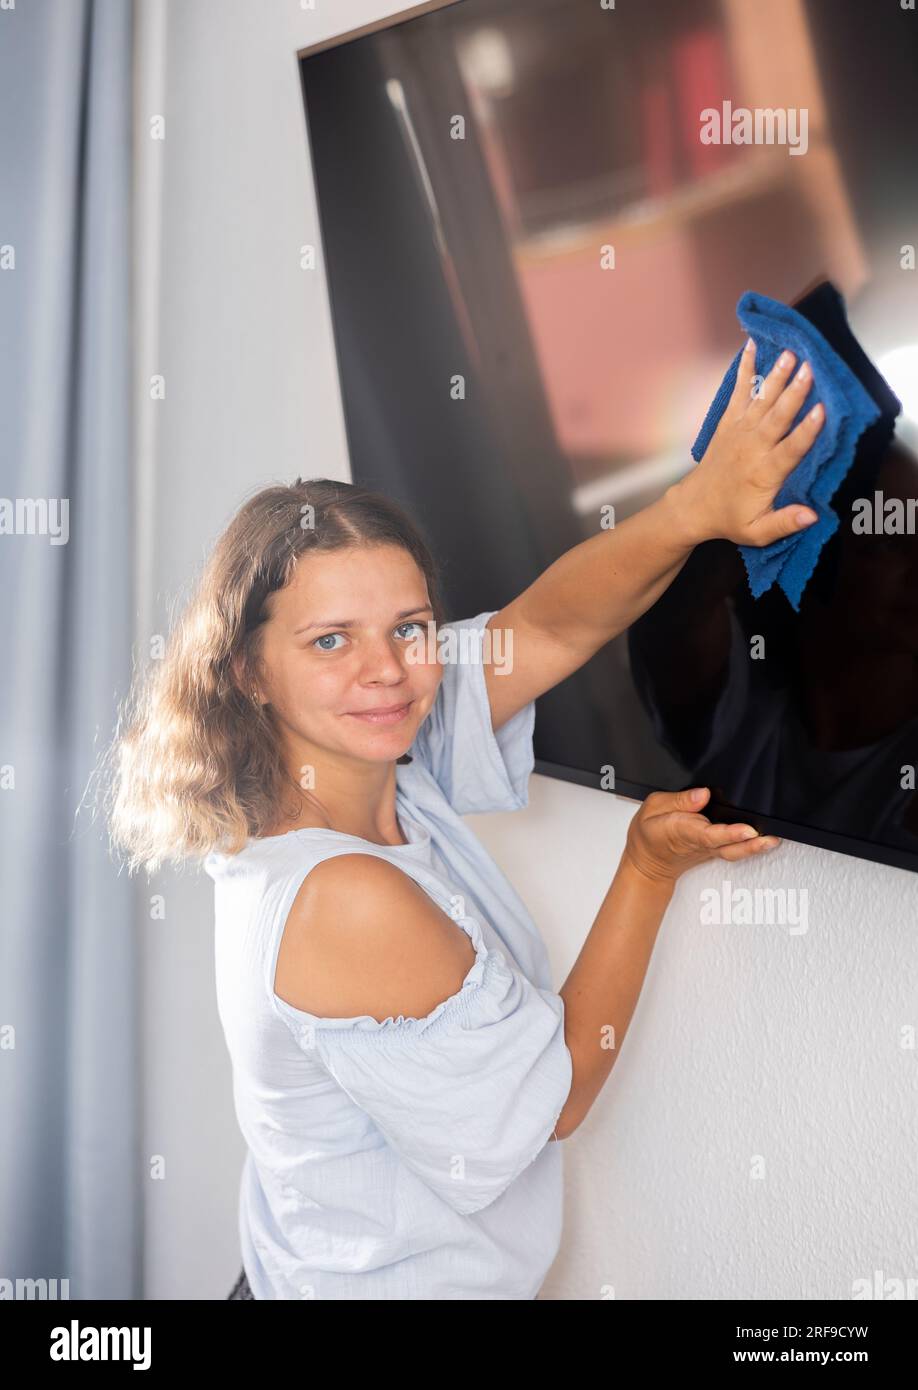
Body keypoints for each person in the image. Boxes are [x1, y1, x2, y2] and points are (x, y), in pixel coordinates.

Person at [103, 343, 823, 1298]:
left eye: (408, 626)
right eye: (331, 641)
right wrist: (645, 871)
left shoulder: (369, 761)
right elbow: (557, 1096)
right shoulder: (342, 898)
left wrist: (698, 508)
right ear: (245, 670)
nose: (387, 670)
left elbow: (556, 624)